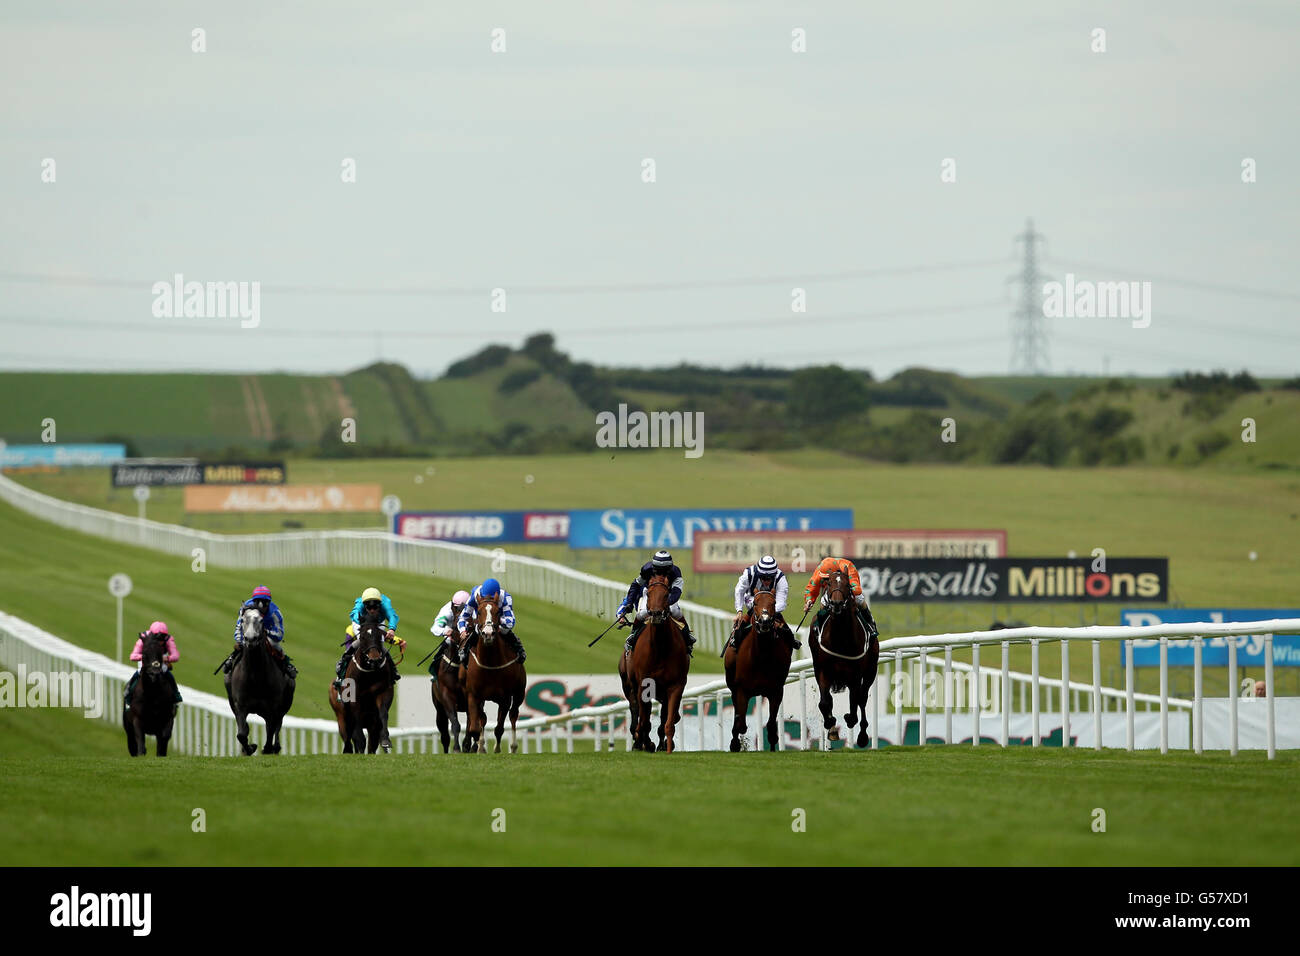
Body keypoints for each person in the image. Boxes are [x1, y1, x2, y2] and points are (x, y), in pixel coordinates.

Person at [616, 549, 695, 657]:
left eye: (664, 571)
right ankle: (633, 636)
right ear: (654, 567)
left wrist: (665, 603)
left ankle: (687, 636)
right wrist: (629, 603)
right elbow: (635, 585)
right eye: (658, 570)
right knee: (642, 613)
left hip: (668, 595)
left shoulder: (676, 572)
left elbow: (677, 592)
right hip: (650, 594)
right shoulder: (647, 569)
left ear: (669, 568)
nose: (661, 574)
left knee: (674, 610)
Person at [334, 587, 405, 692]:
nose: (372, 610)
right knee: (362, 642)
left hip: (378, 622)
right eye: (369, 607)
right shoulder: (360, 605)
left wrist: (391, 629)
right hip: (361, 623)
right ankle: (342, 668)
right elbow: (353, 615)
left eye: (375, 607)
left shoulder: (385, 605)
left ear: (379, 604)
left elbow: (392, 616)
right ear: (364, 605)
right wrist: (367, 625)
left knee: (379, 643)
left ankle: (393, 670)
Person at [223, 584, 296, 678]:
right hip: (250, 631)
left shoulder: (275, 613)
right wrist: (239, 641)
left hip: (268, 633)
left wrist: (267, 632)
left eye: (265, 602)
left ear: (269, 602)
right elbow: (238, 627)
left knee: (274, 644)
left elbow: (280, 635)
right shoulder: (245, 609)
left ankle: (286, 663)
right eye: (258, 602)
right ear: (254, 601)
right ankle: (232, 658)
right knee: (243, 643)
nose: (261, 605)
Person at [729, 554, 799, 650]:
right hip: (753, 602)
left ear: (774, 575)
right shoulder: (749, 573)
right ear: (758, 574)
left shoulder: (780, 578)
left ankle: (791, 640)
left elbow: (781, 603)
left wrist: (767, 612)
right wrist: (739, 611)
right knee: (740, 628)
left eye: (770, 578)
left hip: (771, 607)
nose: (766, 581)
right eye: (763, 577)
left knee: (786, 630)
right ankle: (735, 640)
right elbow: (739, 591)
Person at [802, 556, 878, 643]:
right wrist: (809, 602)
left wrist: (849, 591)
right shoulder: (819, 571)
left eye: (827, 578)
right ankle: (818, 627)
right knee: (823, 601)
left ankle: (870, 623)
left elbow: (857, 589)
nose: (825, 580)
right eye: (824, 579)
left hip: (845, 583)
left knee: (859, 598)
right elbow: (811, 589)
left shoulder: (849, 567)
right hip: (832, 587)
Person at [457, 578, 526, 667]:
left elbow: (510, 622)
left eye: (492, 598)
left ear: (497, 595)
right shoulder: (475, 595)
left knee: (505, 630)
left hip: (498, 621)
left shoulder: (505, 597)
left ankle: (518, 648)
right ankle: (465, 651)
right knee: (476, 629)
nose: (489, 599)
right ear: (481, 595)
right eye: (485, 597)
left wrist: (496, 621)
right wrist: (462, 630)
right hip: (481, 621)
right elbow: (463, 617)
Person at [124, 621, 182, 705]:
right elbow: (133, 656)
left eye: (162, 640)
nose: (160, 642)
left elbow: (176, 656)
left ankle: (176, 693)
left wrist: (167, 658)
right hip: (147, 660)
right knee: (139, 672)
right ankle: (128, 693)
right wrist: (145, 657)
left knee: (166, 673)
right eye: (157, 640)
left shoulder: (169, 639)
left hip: (162, 659)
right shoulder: (144, 638)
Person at [428, 589, 470, 677]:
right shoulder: (446, 611)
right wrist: (445, 631)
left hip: (467, 639)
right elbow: (435, 628)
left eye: (463, 609)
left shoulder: (472, 608)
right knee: (436, 660)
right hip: (451, 640)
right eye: (458, 609)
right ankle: (435, 676)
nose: (460, 612)